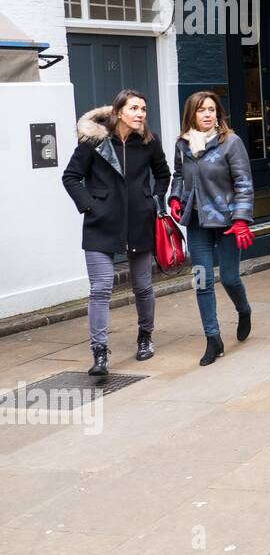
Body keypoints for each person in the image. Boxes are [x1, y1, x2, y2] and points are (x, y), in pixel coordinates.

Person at [62, 90, 170, 375]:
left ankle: (145, 336)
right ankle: (99, 352)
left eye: (144, 109)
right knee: (101, 288)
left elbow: (163, 174)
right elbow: (71, 177)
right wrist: (90, 207)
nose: (141, 114)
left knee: (143, 287)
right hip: (101, 224)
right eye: (134, 108)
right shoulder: (94, 141)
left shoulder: (149, 141)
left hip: (139, 222)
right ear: (118, 111)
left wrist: (153, 201)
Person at [168, 91, 255, 367]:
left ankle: (244, 310)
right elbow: (179, 176)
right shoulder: (183, 144)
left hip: (227, 223)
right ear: (191, 114)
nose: (208, 114)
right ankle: (213, 339)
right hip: (197, 224)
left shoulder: (230, 142)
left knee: (229, 278)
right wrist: (174, 197)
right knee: (202, 281)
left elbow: (243, 182)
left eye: (212, 110)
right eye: (202, 110)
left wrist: (241, 219)